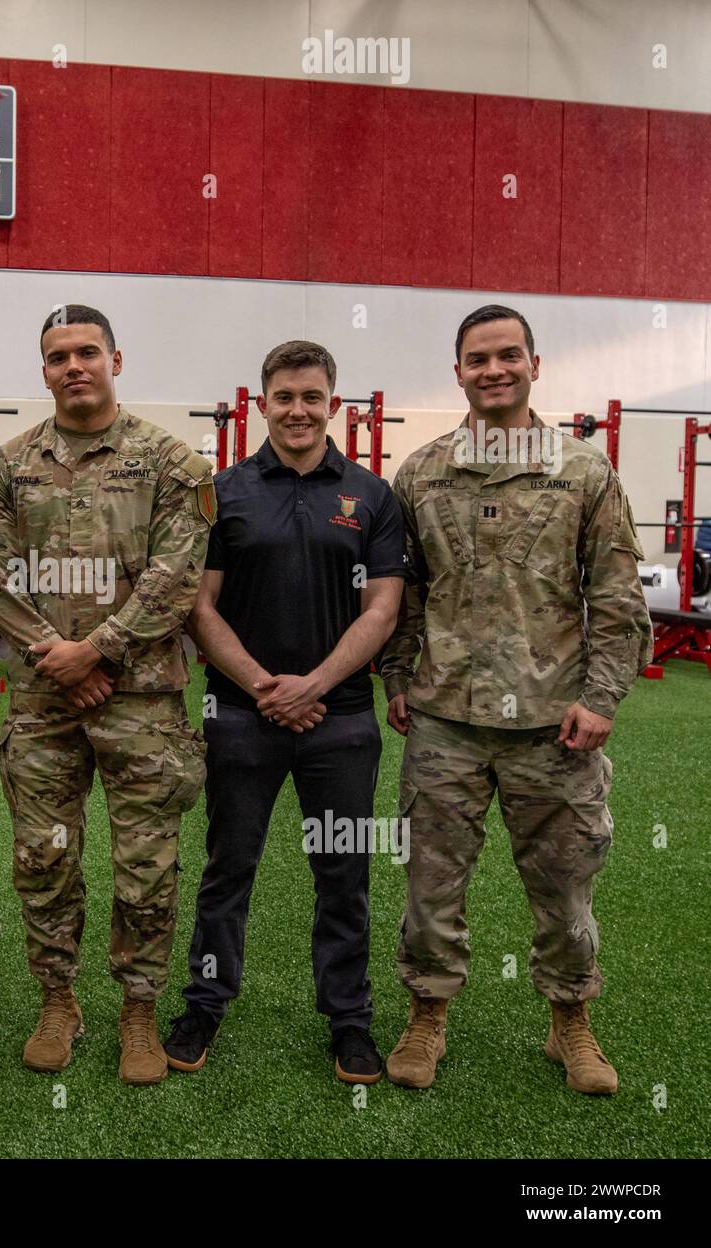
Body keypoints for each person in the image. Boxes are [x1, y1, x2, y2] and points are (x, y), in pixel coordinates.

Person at [378, 304, 653, 1095]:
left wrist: (601, 699)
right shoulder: (422, 473)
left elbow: (617, 596)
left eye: (507, 355)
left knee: (565, 888)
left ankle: (571, 1023)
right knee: (431, 884)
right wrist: (400, 678)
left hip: (554, 725)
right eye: (477, 358)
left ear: (536, 362)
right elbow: (404, 591)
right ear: (457, 371)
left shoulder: (584, 472)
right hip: (446, 722)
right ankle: (427, 1016)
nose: (493, 370)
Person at [0, 304, 214, 1086]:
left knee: (146, 867)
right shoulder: (5, 468)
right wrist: (58, 661)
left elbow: (176, 578)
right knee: (45, 859)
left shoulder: (174, 464)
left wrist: (98, 651)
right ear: (42, 369)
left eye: (86, 353)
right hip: (45, 706)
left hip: (142, 703)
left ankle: (139, 1010)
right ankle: (57, 1000)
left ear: (116, 358)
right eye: (57, 356)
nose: (73, 366)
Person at [162, 340, 405, 1083]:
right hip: (240, 715)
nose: (298, 411)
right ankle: (204, 1005)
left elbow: (383, 610)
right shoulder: (223, 492)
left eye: (312, 397)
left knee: (343, 873)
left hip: (342, 722)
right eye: (284, 397)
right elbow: (198, 607)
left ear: (333, 403)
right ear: (261, 401)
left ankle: (350, 1021)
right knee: (228, 868)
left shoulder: (371, 496)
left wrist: (316, 687)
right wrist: (268, 685)